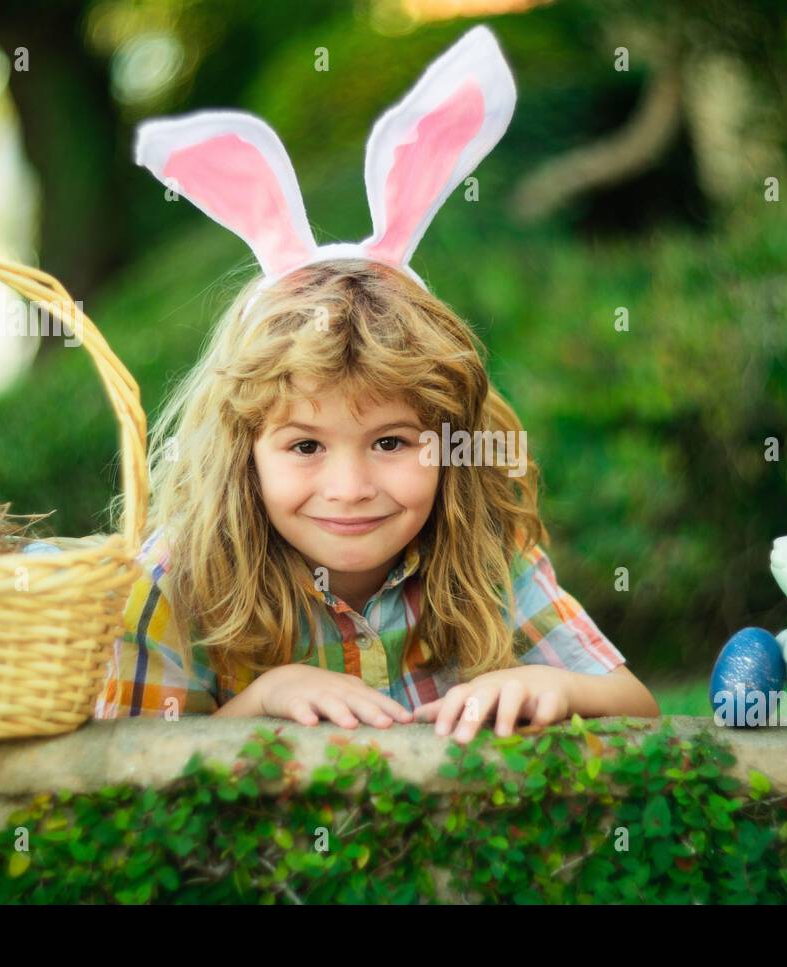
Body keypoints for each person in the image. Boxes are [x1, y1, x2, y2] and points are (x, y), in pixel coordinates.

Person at [94, 25, 658, 742]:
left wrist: (555, 683)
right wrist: (265, 698)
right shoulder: (178, 579)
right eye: (304, 447)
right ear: (243, 450)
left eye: (391, 440)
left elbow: (638, 705)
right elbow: (121, 768)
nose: (351, 486)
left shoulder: (484, 558)